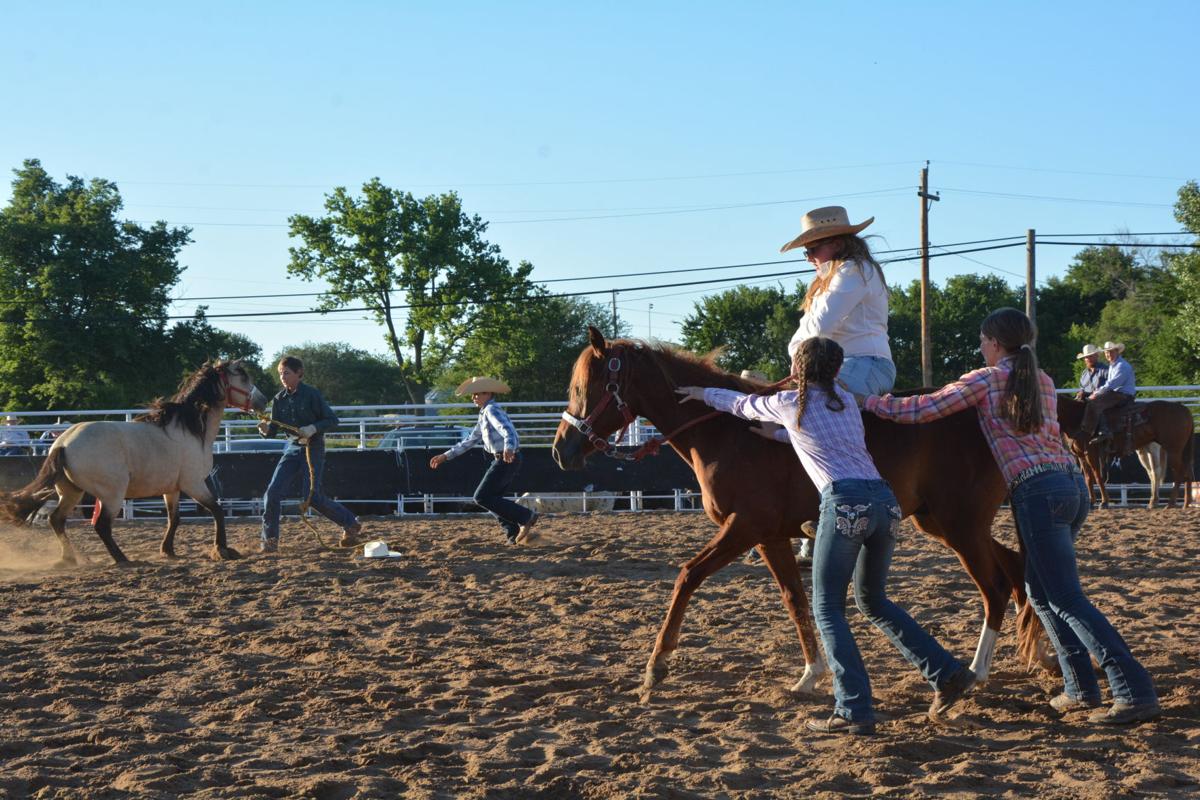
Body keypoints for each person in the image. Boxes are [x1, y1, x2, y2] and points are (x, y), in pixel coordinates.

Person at [863, 309, 1160, 725]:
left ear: (995, 343)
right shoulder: (1040, 379)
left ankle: (1134, 690)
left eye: (983, 340)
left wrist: (871, 402)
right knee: (1041, 593)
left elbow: (923, 410)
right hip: (1070, 487)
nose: (980, 347)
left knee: (1065, 598)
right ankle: (1079, 688)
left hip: (1037, 492)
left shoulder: (985, 379)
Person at [677, 337, 976, 735]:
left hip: (845, 505)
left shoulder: (787, 404)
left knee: (828, 609)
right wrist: (782, 438)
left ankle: (854, 708)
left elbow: (739, 404)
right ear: (837, 371)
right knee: (874, 601)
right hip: (885, 505)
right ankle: (948, 672)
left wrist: (699, 392)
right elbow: (831, 440)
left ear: (797, 369)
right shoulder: (846, 402)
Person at [781, 206, 895, 399]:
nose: (809, 258)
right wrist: (797, 352)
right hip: (851, 364)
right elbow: (812, 325)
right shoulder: (835, 278)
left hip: (866, 362)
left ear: (837, 244)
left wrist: (797, 352)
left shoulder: (854, 270)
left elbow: (821, 324)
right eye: (806, 252)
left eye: (813, 250)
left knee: (817, 404)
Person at [257, 356, 365, 554]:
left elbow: (332, 420)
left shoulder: (312, 394)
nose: (282, 377)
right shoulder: (278, 400)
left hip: (313, 448)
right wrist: (264, 429)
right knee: (272, 493)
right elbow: (272, 431)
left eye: (286, 373)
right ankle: (269, 541)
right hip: (292, 448)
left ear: (299, 373)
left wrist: (313, 428)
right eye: (281, 373)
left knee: (313, 497)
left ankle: (350, 524)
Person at [429, 377, 539, 545]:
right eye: (473, 395)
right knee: (492, 499)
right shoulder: (486, 412)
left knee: (481, 497)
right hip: (507, 457)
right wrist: (446, 455)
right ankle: (512, 534)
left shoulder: (491, 410)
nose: (473, 398)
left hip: (506, 457)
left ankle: (525, 517)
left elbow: (508, 430)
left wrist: (508, 448)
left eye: (476, 394)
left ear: (487, 394)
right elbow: (471, 440)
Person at [1079, 340, 1136, 445]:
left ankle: (1103, 431)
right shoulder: (1113, 365)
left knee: (1095, 403)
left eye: (1111, 352)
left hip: (1123, 395)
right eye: (1106, 352)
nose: (1108, 354)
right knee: (1093, 401)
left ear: (1117, 352)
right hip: (1116, 393)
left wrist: (1095, 394)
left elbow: (1111, 384)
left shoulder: (1121, 366)